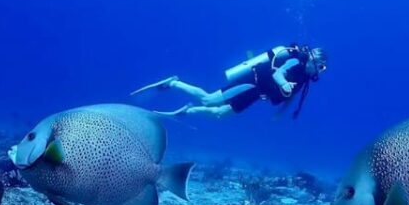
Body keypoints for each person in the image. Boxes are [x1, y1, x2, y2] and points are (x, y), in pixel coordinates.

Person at [132, 44, 328, 119]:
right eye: (320, 66)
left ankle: (188, 111)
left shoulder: (304, 78)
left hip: (257, 94)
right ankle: (174, 82)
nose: (319, 70)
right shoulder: (295, 62)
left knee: (220, 113)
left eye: (322, 68)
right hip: (251, 83)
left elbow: (290, 96)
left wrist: (281, 112)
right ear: (313, 59)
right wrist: (283, 83)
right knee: (209, 100)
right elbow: (279, 74)